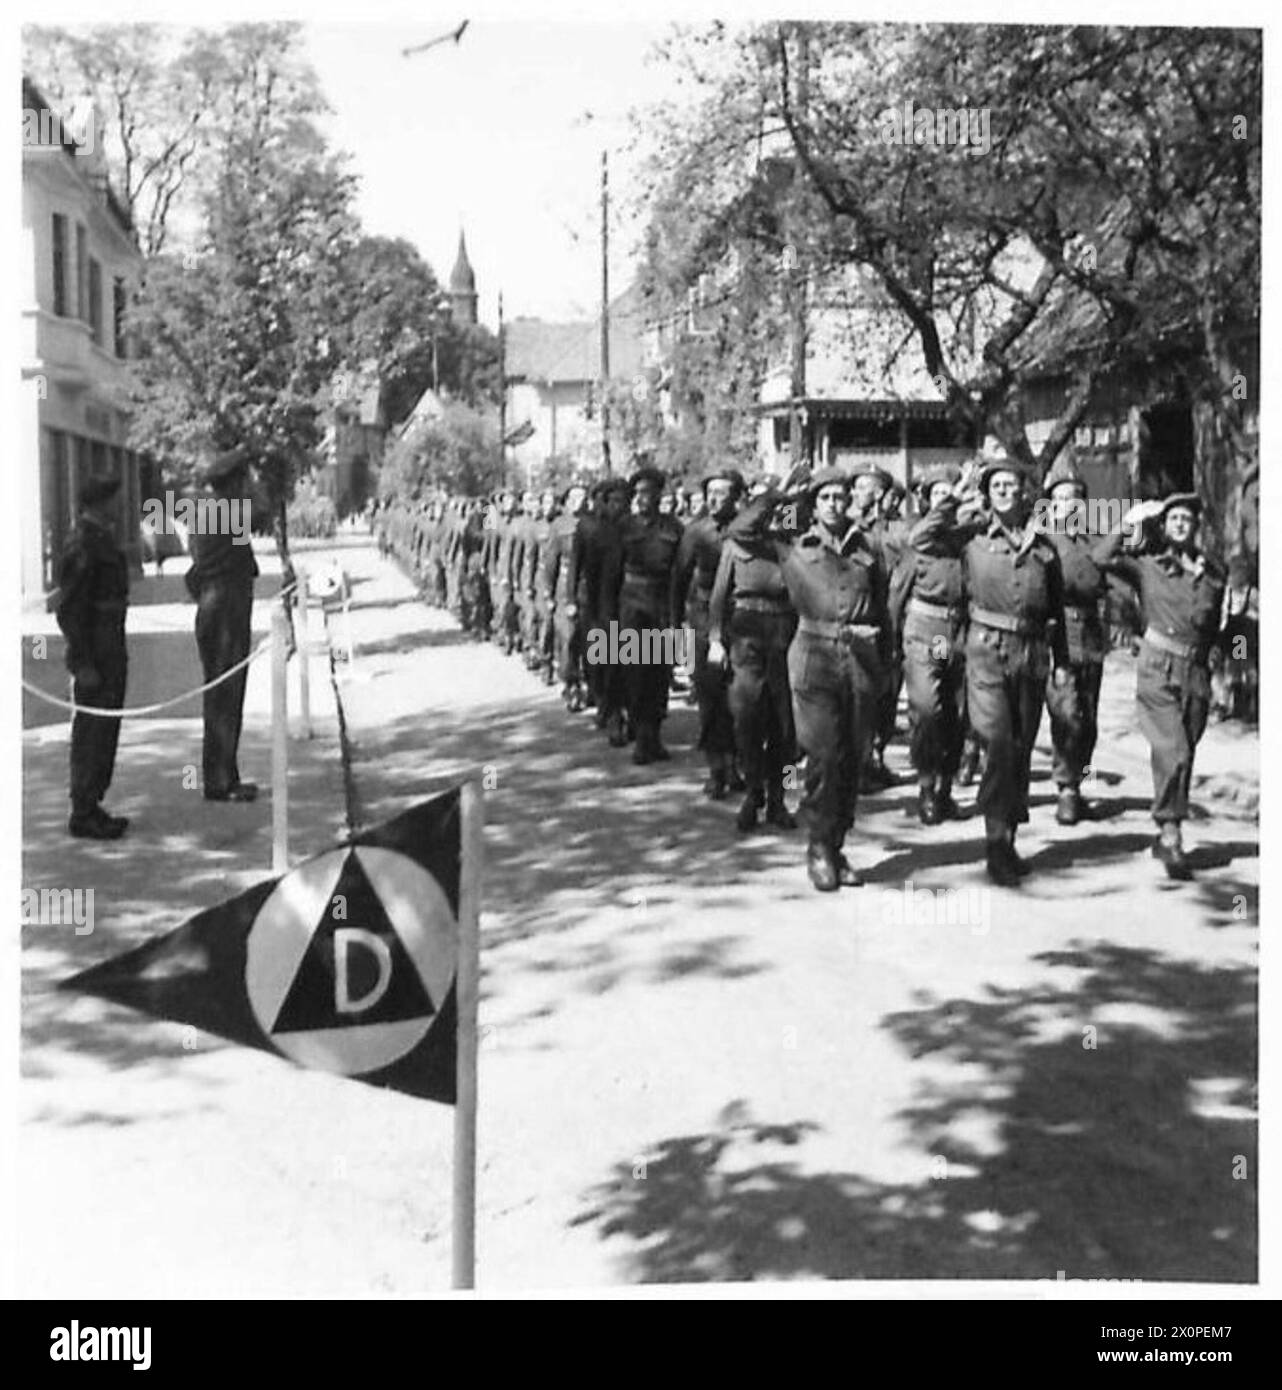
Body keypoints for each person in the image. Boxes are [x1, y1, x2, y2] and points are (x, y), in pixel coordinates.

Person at [727, 464, 892, 891]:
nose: (835, 505)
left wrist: (886, 667)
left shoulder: (867, 546)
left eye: (841, 497)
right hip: (812, 656)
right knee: (822, 755)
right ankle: (818, 846)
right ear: (813, 504)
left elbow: (883, 608)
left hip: (860, 657)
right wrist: (779, 494)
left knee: (853, 758)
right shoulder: (793, 542)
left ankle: (837, 845)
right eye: (825, 498)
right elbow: (742, 530)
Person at [912, 454, 1071, 885]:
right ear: (986, 492)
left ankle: (1008, 836)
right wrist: (953, 500)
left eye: (1012, 485)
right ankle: (993, 840)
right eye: (996, 485)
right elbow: (922, 539)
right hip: (984, 651)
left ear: (1025, 493)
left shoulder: (1044, 548)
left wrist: (1063, 664)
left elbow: (1056, 609)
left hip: (1032, 655)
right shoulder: (972, 536)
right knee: (998, 743)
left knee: (1018, 749)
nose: (1005, 492)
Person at [1093, 493, 1226, 879]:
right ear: (1163, 527)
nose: (1181, 524)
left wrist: (1228, 656)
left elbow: (1220, 625)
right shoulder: (1147, 566)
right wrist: (1129, 520)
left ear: (1196, 527)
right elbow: (1100, 559)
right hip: (1157, 667)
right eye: (1174, 518)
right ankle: (1170, 831)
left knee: (1185, 751)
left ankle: (1169, 826)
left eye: (1187, 518)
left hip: (1196, 672)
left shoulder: (1212, 572)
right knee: (1175, 750)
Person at [708, 508, 799, 832]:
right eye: (769, 513)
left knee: (784, 726)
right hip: (746, 637)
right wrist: (716, 639)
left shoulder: (792, 547)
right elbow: (719, 595)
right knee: (747, 718)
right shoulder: (738, 544)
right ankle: (752, 792)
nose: (775, 519)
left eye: (781, 513)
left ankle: (779, 798)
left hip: (784, 637)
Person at [892, 463, 972, 825]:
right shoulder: (920, 541)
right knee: (928, 709)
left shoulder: (966, 539)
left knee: (955, 713)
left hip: (957, 633)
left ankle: (945, 787)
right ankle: (925, 784)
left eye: (950, 494)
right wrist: (891, 645)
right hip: (928, 630)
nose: (946, 503)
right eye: (938, 496)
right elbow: (897, 595)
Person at [56, 474, 130, 839]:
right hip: (95, 648)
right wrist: (82, 662)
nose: (119, 505)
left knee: (106, 728)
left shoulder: (100, 537)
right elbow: (70, 609)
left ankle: (94, 802)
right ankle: (82, 809)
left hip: (110, 643)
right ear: (99, 502)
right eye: (113, 499)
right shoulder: (83, 543)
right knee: (91, 730)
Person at [185, 447, 259, 802]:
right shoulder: (228, 514)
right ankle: (219, 780)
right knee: (225, 697)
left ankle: (226, 775)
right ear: (235, 482)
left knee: (223, 696)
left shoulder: (205, 512)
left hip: (216, 607)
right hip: (226, 610)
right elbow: (262, 507)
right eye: (244, 479)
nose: (248, 486)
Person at [1039, 460, 1110, 825]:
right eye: (1063, 498)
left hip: (1092, 637)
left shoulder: (1094, 539)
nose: (1071, 504)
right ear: (1051, 504)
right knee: (1067, 717)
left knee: (1090, 718)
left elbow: (1111, 580)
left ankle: (1079, 783)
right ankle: (1066, 788)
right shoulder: (1044, 542)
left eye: (1077, 498)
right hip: (1060, 637)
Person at [672, 468, 745, 799]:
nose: (715, 499)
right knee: (711, 699)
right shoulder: (696, 532)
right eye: (710, 492)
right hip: (703, 623)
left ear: (736, 496)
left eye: (723, 492)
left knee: (742, 700)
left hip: (742, 622)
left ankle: (739, 763)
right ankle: (717, 768)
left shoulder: (747, 531)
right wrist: (675, 628)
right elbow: (679, 579)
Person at [614, 464, 684, 764]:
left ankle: (654, 735)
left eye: (650, 492)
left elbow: (681, 572)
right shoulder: (624, 527)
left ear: (659, 494)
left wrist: (678, 616)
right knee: (635, 672)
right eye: (639, 492)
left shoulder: (674, 528)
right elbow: (612, 573)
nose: (645, 497)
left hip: (663, 604)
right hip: (631, 605)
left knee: (660, 671)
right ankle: (641, 737)